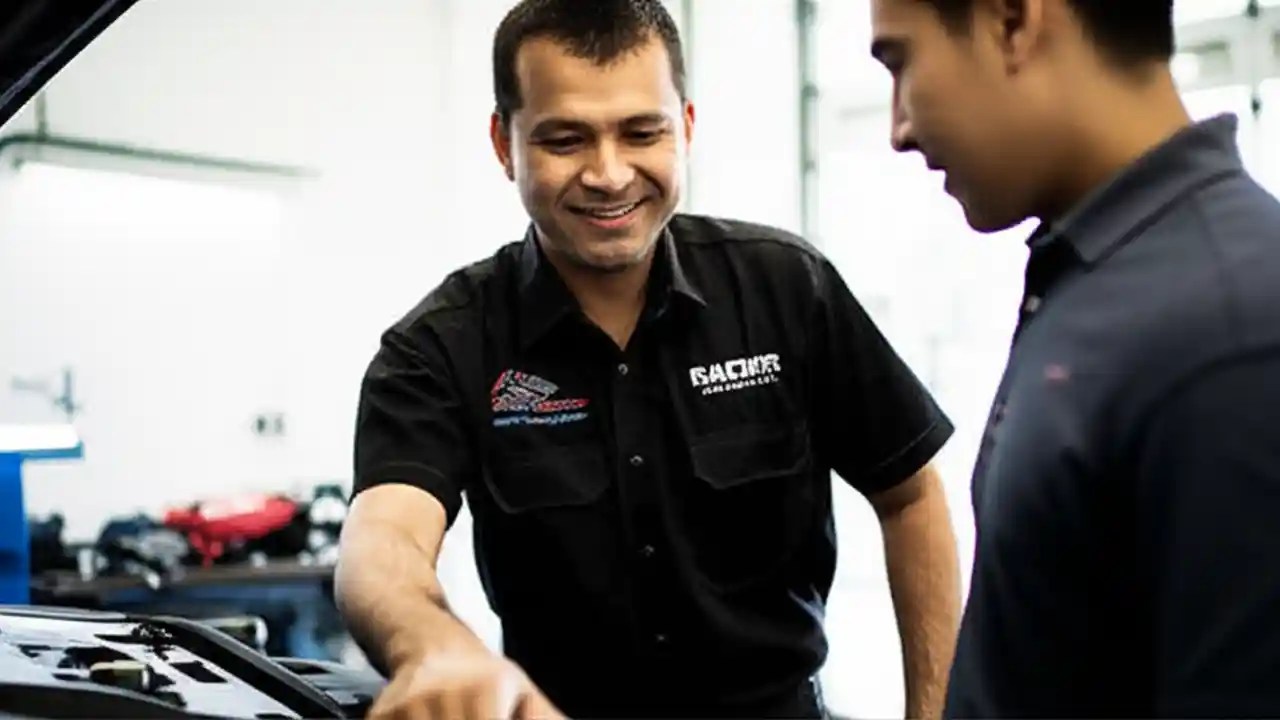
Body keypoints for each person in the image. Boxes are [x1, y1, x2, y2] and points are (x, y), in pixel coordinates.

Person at [336, 1, 963, 717]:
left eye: (642, 133)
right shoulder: (442, 345)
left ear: (685, 129)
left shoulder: (788, 288)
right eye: (565, 139)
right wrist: (431, 643)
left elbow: (910, 496)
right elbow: (382, 539)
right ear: (504, 144)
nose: (609, 174)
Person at [868, 0, 1280, 717]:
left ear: (1013, 22)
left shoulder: (1235, 336)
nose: (898, 128)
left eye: (902, 61)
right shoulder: (1107, 278)